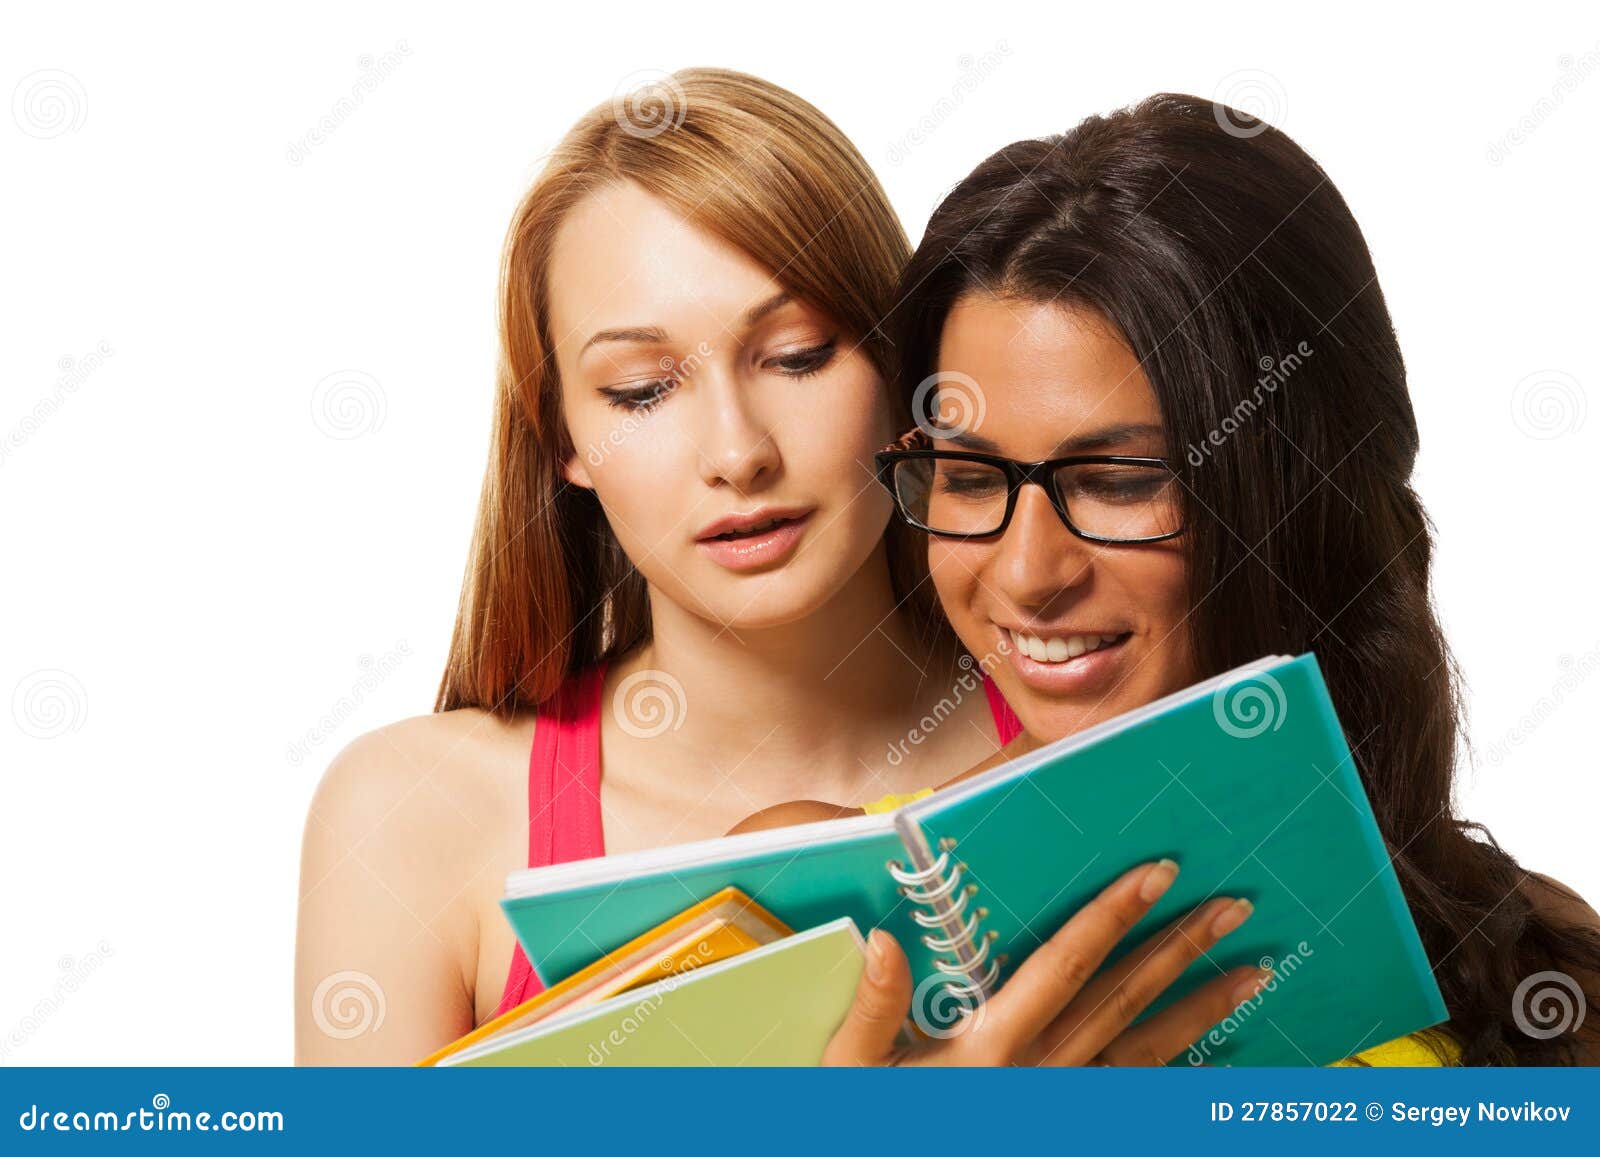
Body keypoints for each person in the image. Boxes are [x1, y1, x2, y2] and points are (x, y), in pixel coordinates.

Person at [741, 94, 1600, 1067]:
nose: (1026, 574)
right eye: (972, 478)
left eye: (1116, 481)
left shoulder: (1535, 960)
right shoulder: (800, 913)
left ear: (1293, 487)